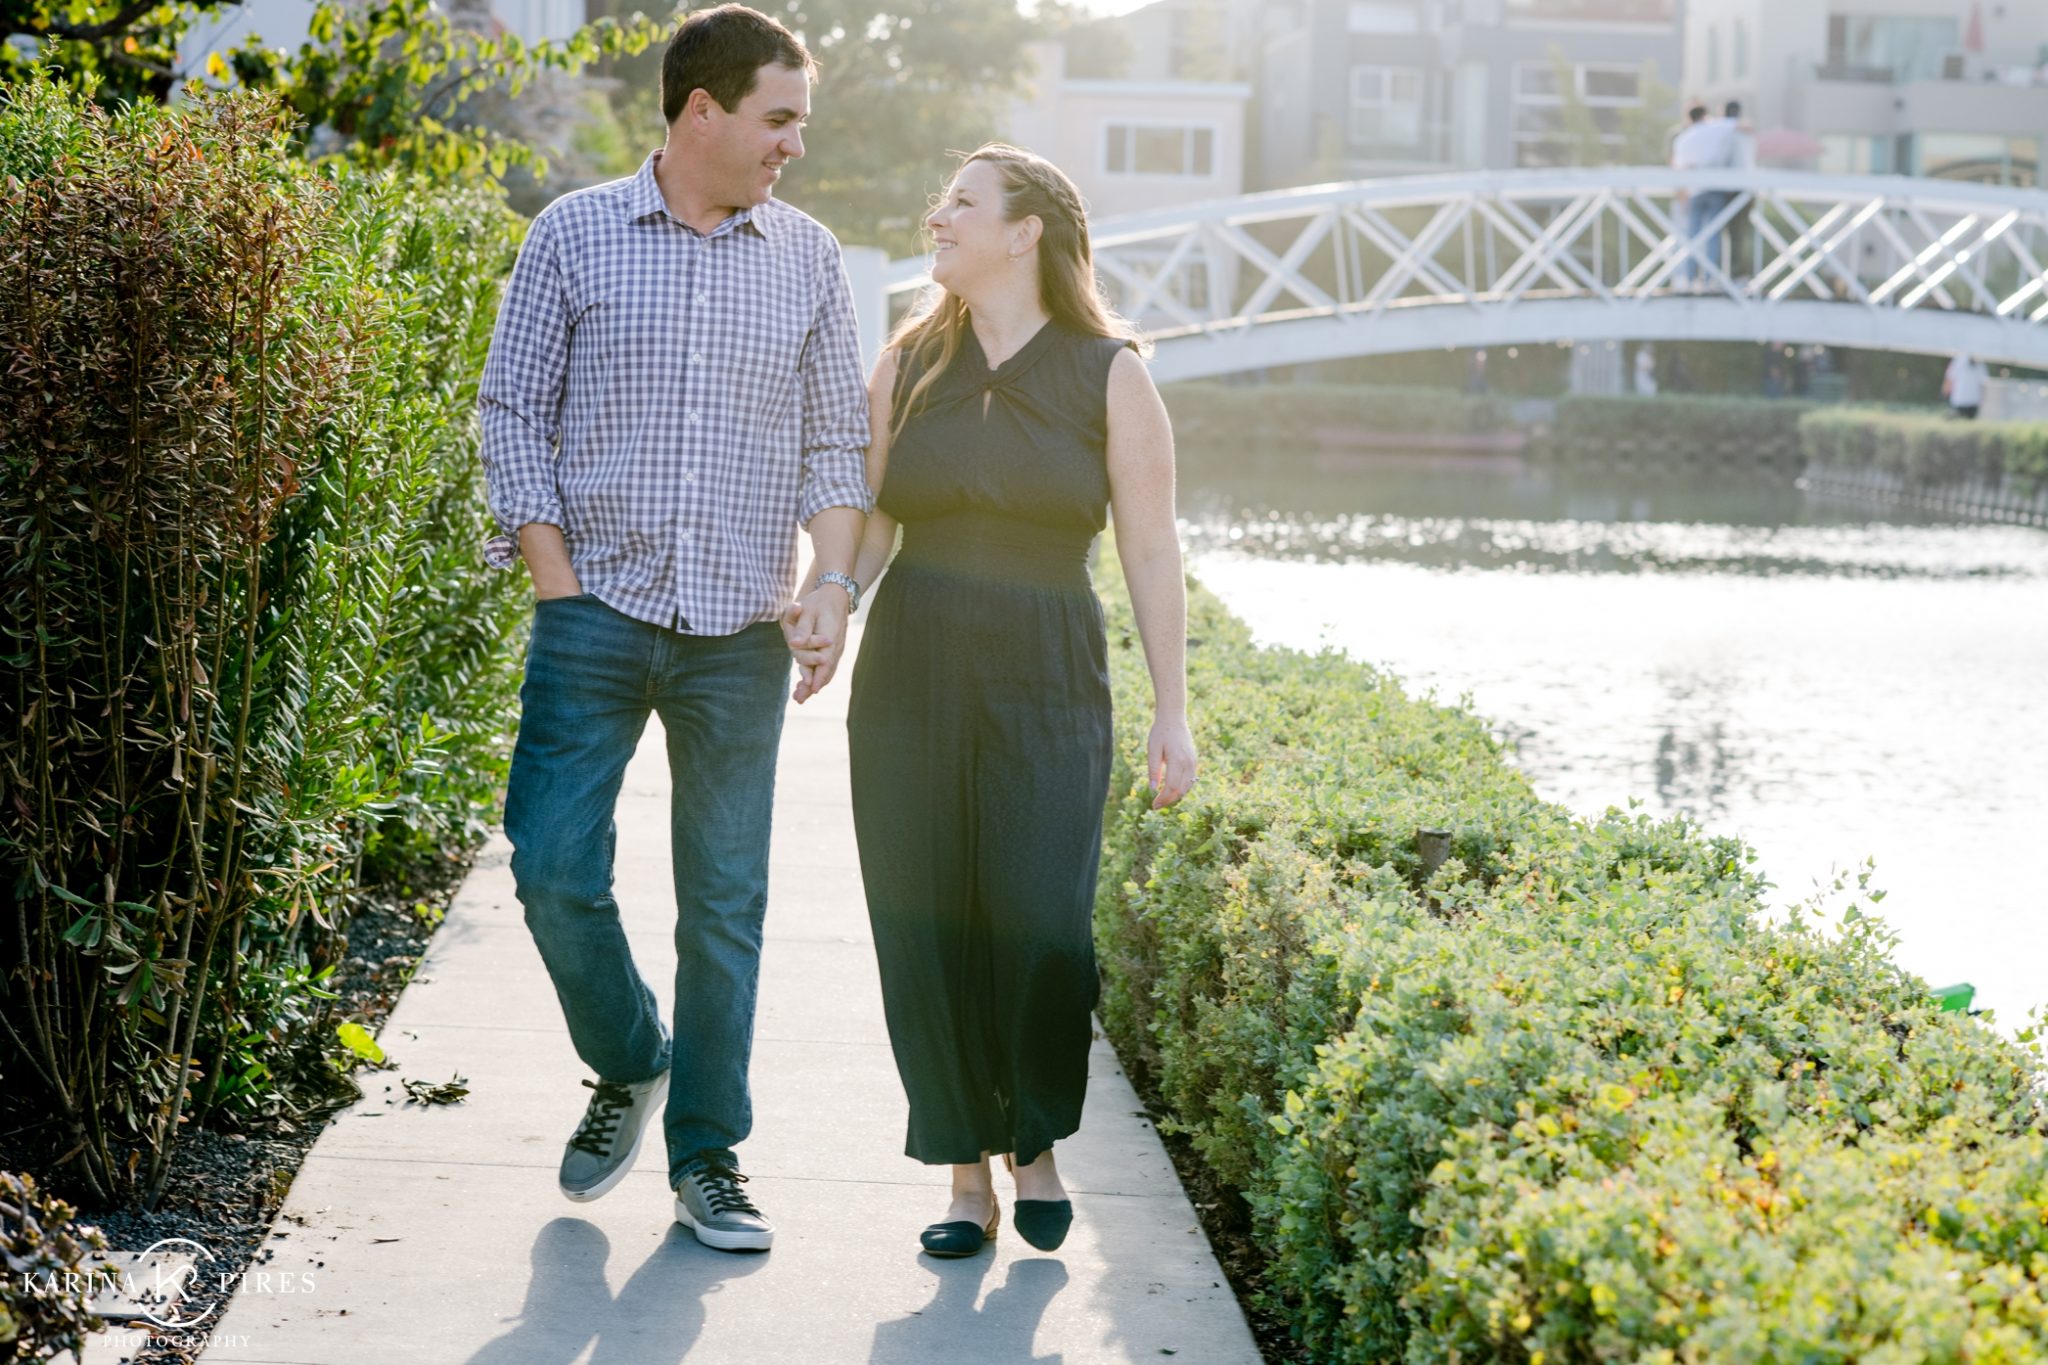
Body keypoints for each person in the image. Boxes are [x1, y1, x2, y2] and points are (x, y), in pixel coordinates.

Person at [475, 3, 872, 1254]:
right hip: (593, 611)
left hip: (739, 632)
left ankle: (710, 1156)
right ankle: (632, 1057)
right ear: (701, 111)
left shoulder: (806, 257)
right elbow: (509, 413)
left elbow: (835, 441)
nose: (792, 145)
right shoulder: (574, 235)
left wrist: (829, 581)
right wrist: (553, 579)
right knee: (548, 867)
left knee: (724, 899)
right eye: (778, 119)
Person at [819, 144, 1196, 1259]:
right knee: (923, 916)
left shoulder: (1110, 370)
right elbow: (874, 515)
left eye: (961, 204)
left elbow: (1150, 544)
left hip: (1045, 664)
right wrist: (834, 596)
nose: (937, 217)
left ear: (1024, 231)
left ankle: (1032, 1141)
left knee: (1038, 924)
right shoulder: (903, 366)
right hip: (913, 667)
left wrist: (1172, 710)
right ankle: (962, 1175)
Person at [1670, 103, 1737, 290]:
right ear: (1705, 115)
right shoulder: (1714, 127)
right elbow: (1740, 125)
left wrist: (1682, 195)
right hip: (1714, 188)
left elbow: (1679, 169)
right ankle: (1709, 279)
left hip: (1693, 192)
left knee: (1692, 235)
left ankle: (1690, 278)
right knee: (1713, 235)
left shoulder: (1682, 140)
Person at [1944, 353, 1988, 419]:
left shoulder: (1979, 362)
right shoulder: (1959, 359)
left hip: (1972, 402)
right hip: (1962, 402)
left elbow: (1949, 378)